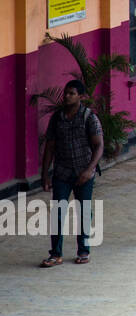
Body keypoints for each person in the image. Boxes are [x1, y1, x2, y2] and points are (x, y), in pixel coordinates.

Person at [39, 80, 103, 267]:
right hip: (62, 173)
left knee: (83, 212)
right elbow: (50, 147)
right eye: (66, 93)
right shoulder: (57, 118)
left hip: (84, 172)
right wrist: (45, 175)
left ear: (81, 97)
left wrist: (90, 169)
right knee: (58, 213)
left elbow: (99, 146)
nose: (67, 96)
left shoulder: (89, 118)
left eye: (71, 93)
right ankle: (55, 253)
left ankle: (83, 251)